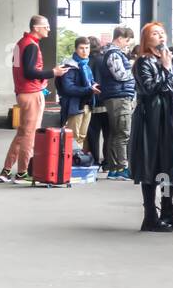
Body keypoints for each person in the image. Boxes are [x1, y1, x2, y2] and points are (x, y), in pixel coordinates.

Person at [128, 22, 173, 232]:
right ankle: (150, 216)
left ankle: (167, 211)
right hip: (151, 120)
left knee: (168, 165)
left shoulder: (163, 59)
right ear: (147, 39)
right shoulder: (143, 62)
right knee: (151, 165)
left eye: (162, 33)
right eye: (155, 34)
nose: (161, 37)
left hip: (167, 117)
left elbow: (165, 86)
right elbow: (149, 88)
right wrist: (165, 69)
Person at [0, 15, 69, 184]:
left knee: (22, 133)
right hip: (31, 94)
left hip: (22, 93)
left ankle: (7, 170)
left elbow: (22, 71)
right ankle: (22, 173)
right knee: (30, 135)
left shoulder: (20, 43)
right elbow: (29, 72)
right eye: (46, 26)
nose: (49, 29)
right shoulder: (31, 45)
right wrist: (53, 72)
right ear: (36, 28)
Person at [100, 25, 136, 180]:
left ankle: (114, 168)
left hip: (116, 96)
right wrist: (135, 68)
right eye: (127, 41)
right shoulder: (114, 54)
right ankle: (121, 167)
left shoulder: (111, 53)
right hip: (119, 97)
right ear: (120, 38)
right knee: (123, 133)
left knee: (116, 134)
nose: (127, 44)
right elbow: (120, 75)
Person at [57, 36, 98, 148]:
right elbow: (68, 88)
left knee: (82, 136)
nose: (85, 51)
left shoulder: (86, 66)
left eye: (87, 48)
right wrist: (89, 89)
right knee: (73, 137)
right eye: (81, 48)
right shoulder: (69, 66)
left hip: (87, 105)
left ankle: (75, 161)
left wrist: (94, 85)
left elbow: (91, 82)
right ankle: (69, 164)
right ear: (75, 49)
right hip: (74, 106)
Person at [84, 37, 109, 164]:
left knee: (93, 134)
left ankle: (94, 160)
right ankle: (107, 161)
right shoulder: (104, 60)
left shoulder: (85, 62)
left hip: (91, 101)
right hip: (106, 101)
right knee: (108, 134)